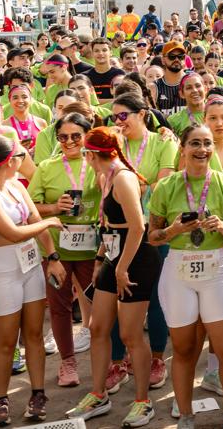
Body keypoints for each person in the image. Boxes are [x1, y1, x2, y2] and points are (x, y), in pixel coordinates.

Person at [147, 123, 223, 429]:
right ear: (183, 148)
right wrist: (174, 230)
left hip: (215, 270)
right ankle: (186, 416)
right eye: (195, 143)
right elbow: (153, 237)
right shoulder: (166, 187)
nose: (202, 149)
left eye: (207, 143)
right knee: (184, 350)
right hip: (179, 273)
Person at [0, 137, 67, 425]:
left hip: (30, 266)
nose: (27, 159)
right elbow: (13, 233)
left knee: (35, 335)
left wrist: (53, 256)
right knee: (7, 340)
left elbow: (33, 222)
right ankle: (2, 399)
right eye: (23, 155)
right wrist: (49, 221)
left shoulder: (16, 186)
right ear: (11, 161)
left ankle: (38, 395)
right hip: (1, 272)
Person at [68, 127, 162, 427]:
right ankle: (98, 394)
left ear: (92, 154)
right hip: (112, 253)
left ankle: (143, 402)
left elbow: (138, 227)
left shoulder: (122, 178)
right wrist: (101, 260)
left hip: (136, 257)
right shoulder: (104, 176)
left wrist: (122, 268)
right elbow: (108, 225)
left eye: (85, 152)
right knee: (98, 327)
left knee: (130, 335)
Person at [29, 113, 100, 389]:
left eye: (75, 136)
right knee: (60, 308)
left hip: (93, 249)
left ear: (86, 135)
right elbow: (31, 208)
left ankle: (109, 361)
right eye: (62, 137)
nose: (69, 142)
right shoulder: (47, 167)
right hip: (57, 250)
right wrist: (54, 208)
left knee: (102, 306)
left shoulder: (97, 162)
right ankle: (68, 362)